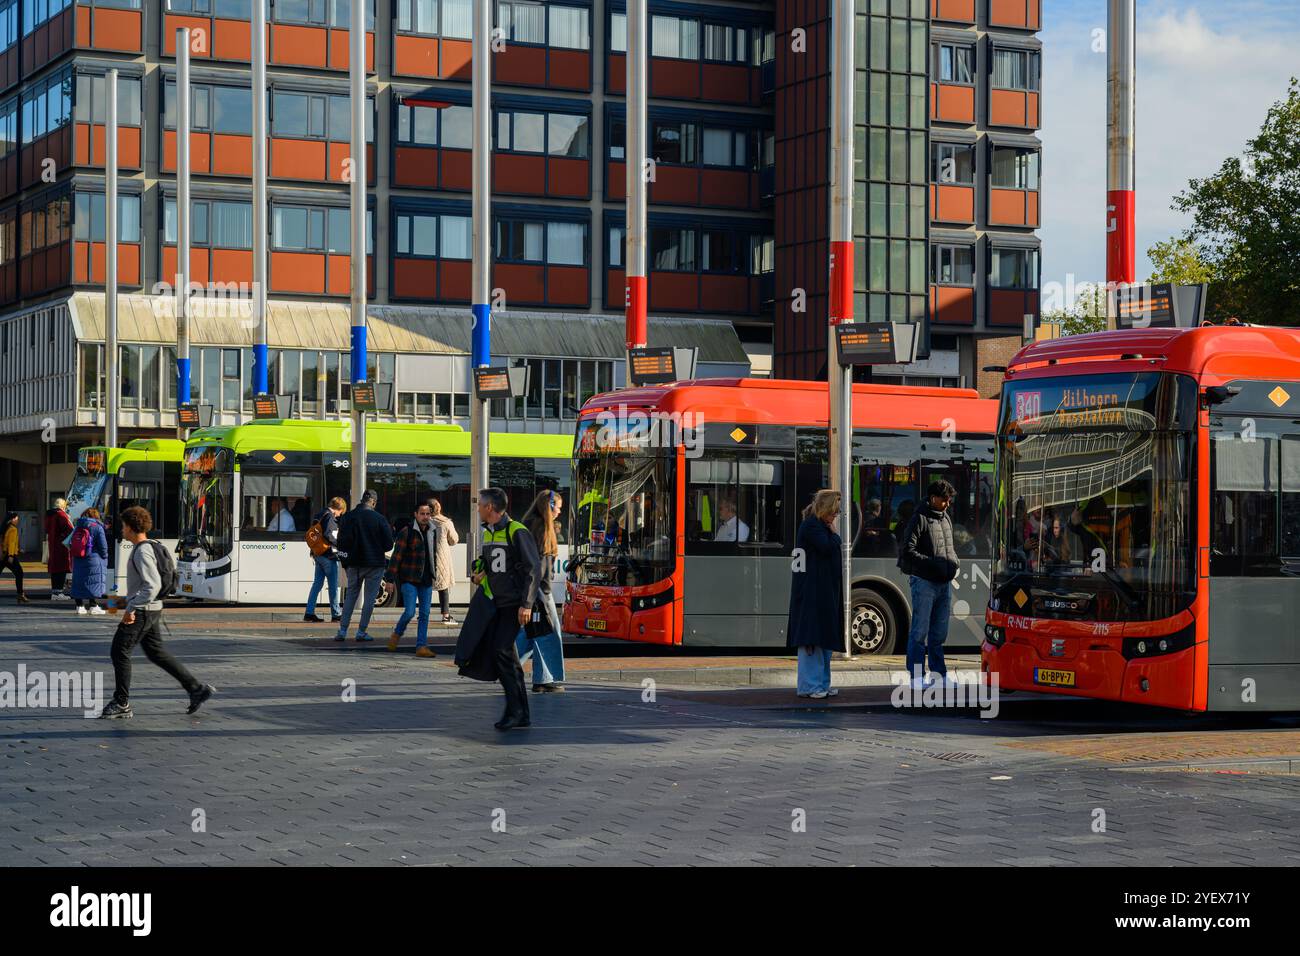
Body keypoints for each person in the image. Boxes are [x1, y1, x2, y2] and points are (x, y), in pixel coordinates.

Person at [98, 506, 215, 720]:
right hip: (151, 608)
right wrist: (122, 601)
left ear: (132, 528)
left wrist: (131, 609)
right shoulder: (152, 546)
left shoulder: (142, 551)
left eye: (124, 526)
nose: (122, 531)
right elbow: (147, 586)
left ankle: (121, 702)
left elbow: (151, 586)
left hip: (143, 611)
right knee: (156, 653)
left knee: (119, 651)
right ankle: (196, 689)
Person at [471, 487, 542, 731]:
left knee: (502, 652)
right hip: (496, 603)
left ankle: (516, 711)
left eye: (480, 504)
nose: (478, 508)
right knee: (506, 656)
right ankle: (519, 712)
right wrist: (480, 569)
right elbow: (492, 562)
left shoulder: (516, 531)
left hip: (513, 604)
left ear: (490, 507)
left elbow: (534, 568)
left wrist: (526, 605)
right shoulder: (489, 532)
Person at [898, 480, 960, 689]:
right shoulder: (919, 519)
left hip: (943, 582)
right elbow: (908, 550)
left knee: (938, 632)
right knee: (920, 631)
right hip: (924, 581)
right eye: (944, 500)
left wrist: (954, 562)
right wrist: (934, 565)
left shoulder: (946, 519)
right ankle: (916, 676)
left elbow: (949, 547)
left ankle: (938, 674)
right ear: (933, 498)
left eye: (949, 500)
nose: (948, 503)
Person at [786, 490, 843, 699]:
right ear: (825, 510)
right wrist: (835, 534)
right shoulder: (812, 526)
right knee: (814, 639)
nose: (834, 517)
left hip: (820, 590)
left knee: (822, 640)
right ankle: (811, 685)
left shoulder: (815, 525)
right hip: (813, 591)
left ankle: (821, 683)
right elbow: (828, 547)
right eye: (833, 513)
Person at [515, 490, 566, 692]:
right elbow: (540, 567)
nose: (559, 512)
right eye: (559, 507)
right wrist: (542, 594)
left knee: (533, 632)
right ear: (550, 506)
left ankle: (541, 678)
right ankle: (543, 677)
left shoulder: (526, 524)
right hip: (539, 590)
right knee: (551, 631)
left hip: (527, 588)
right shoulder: (543, 529)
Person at [334, 489, 394, 643]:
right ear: (373, 502)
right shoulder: (379, 518)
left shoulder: (348, 517)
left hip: (353, 564)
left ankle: (342, 631)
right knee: (369, 599)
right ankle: (361, 632)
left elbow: (340, 542)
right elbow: (388, 545)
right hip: (374, 564)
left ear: (362, 500)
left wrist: (346, 563)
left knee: (350, 597)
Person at [383, 503, 440, 658]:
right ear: (415, 514)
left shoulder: (433, 531)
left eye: (428, 513)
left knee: (425, 614)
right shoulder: (407, 532)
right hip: (409, 578)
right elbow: (396, 557)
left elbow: (432, 555)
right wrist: (389, 579)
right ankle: (397, 633)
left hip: (426, 579)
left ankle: (421, 646)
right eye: (422, 513)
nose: (425, 517)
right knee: (409, 612)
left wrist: (436, 574)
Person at [304, 496, 346, 623]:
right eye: (340, 512)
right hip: (328, 555)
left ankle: (309, 612)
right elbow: (329, 534)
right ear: (339, 508)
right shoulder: (330, 516)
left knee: (317, 584)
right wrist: (339, 544)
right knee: (333, 586)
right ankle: (336, 613)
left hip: (317, 554)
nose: (339, 515)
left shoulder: (320, 514)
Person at [69, 507, 109, 616]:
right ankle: (93, 606)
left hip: (78, 558)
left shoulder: (78, 526)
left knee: (79, 581)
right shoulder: (97, 527)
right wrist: (105, 556)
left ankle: (79, 606)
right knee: (93, 582)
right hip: (93, 558)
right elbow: (103, 546)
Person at [45, 499, 74, 600]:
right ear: (63, 506)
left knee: (55, 570)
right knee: (62, 569)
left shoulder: (50, 515)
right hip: (62, 546)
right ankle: (59, 593)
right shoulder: (61, 515)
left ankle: (54, 592)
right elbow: (70, 529)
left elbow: (47, 529)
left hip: (53, 545)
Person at [0, 512, 27, 604]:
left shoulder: (4, 528)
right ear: (12, 519)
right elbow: (11, 543)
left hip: (2, 555)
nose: (17, 520)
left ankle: (20, 595)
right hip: (9, 555)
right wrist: (11, 555)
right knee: (19, 573)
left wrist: (18, 549)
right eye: (16, 518)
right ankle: (20, 594)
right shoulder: (13, 529)